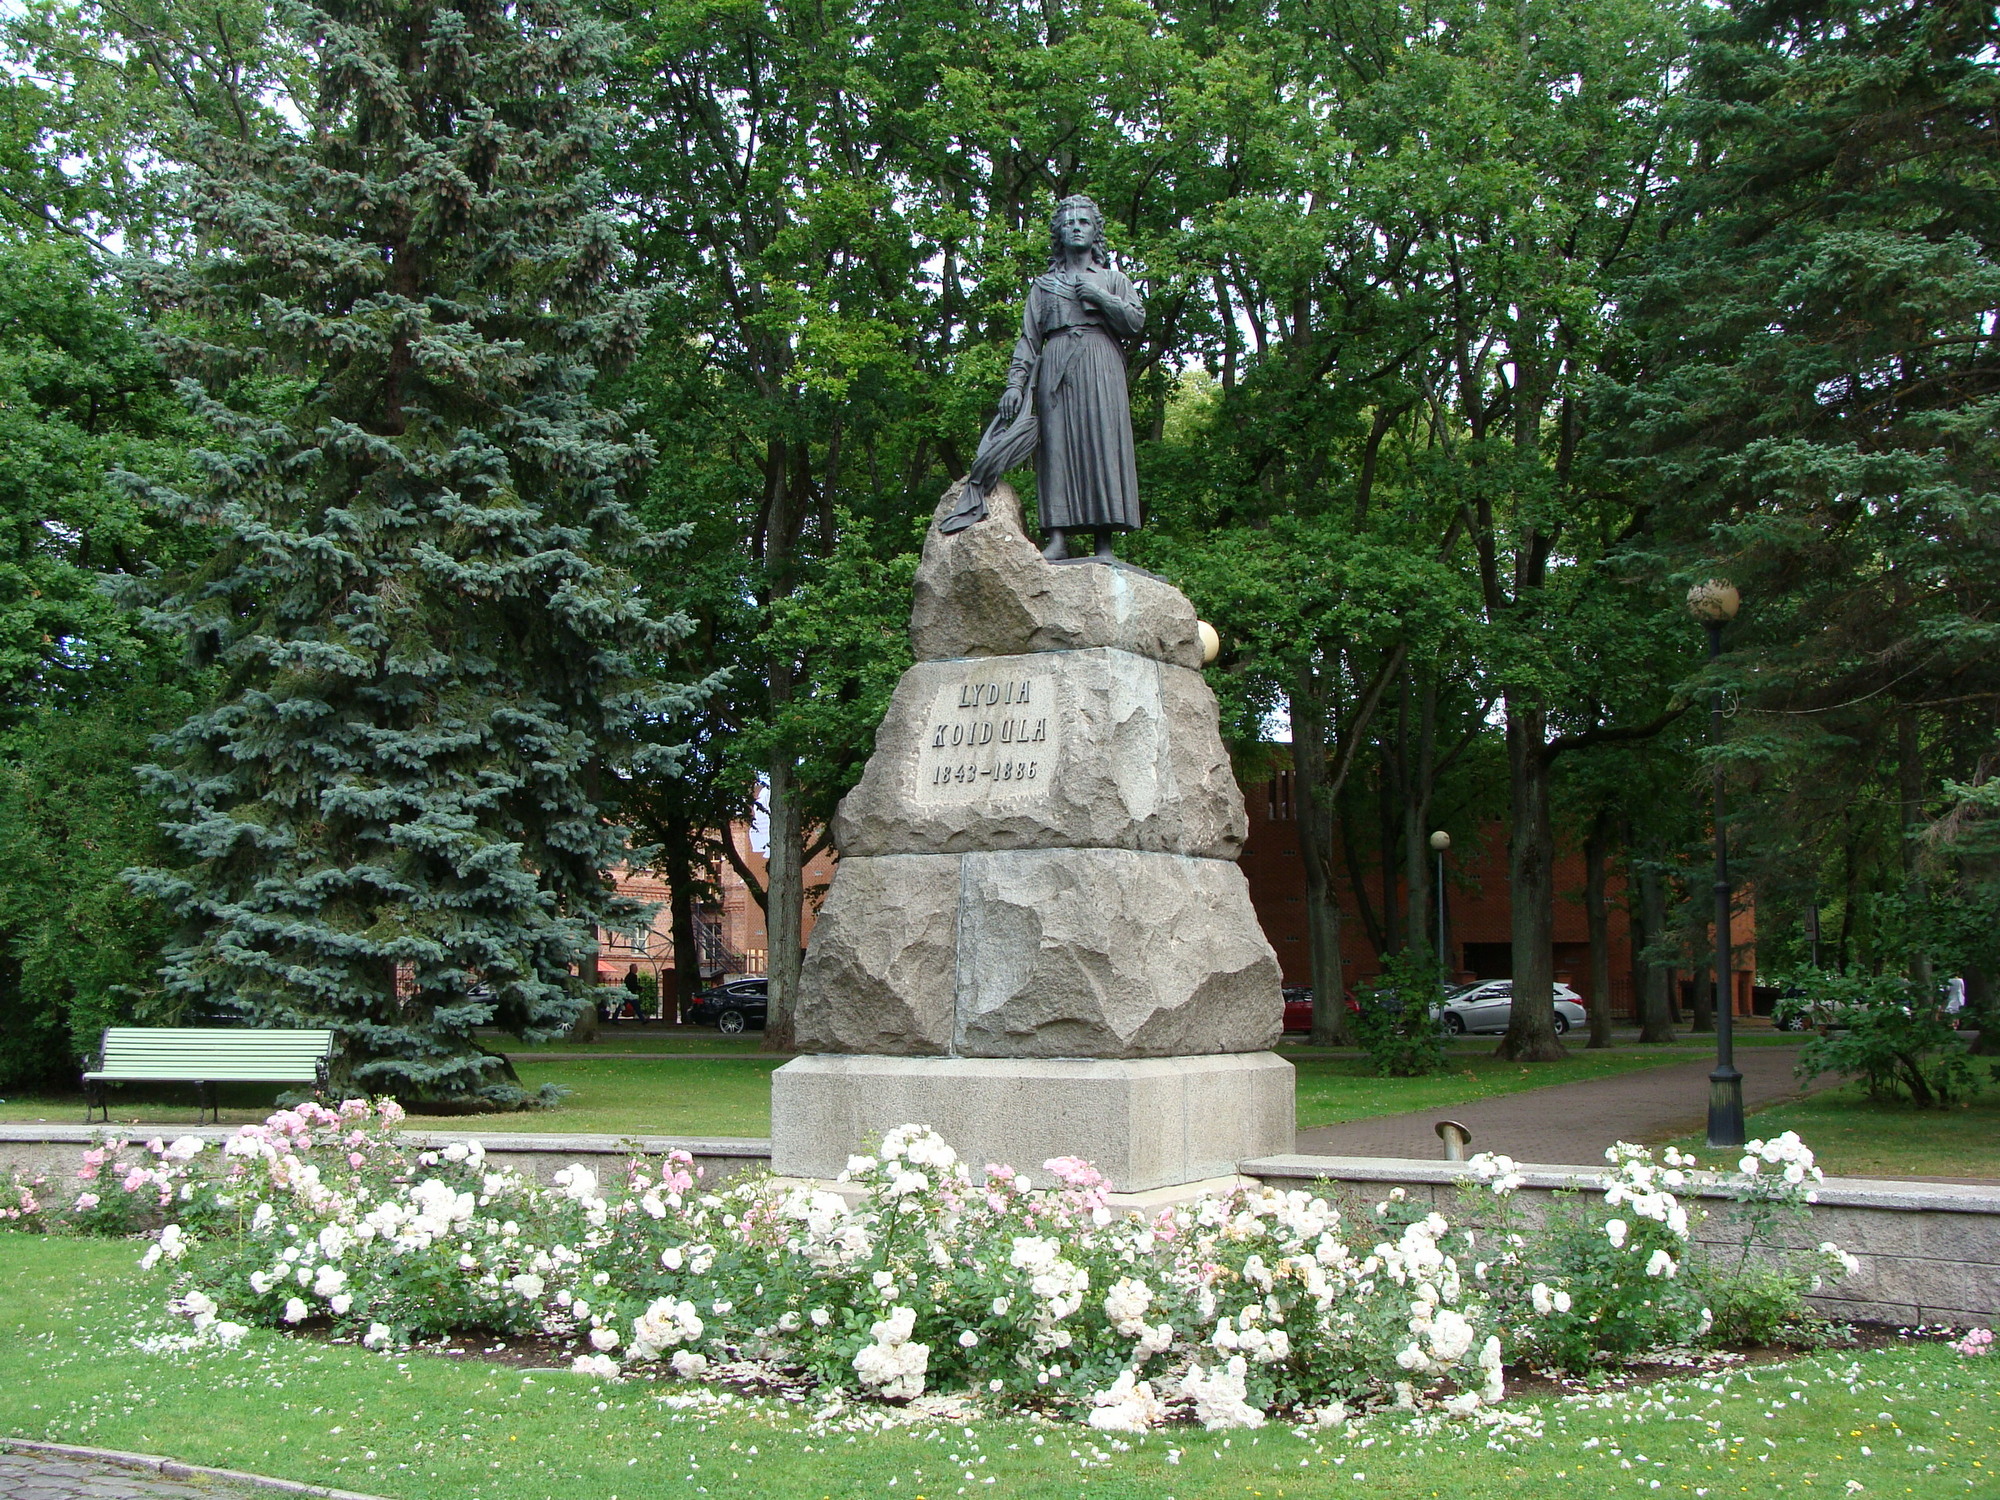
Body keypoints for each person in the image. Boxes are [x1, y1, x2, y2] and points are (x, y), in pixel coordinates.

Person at [940, 194, 1146, 560]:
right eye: (1069, 223)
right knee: (1056, 450)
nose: (1076, 228)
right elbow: (1028, 339)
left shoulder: (1114, 280)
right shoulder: (1044, 285)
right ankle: (1058, 537)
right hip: (1055, 366)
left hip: (1101, 365)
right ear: (1059, 233)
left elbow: (1135, 321)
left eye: (1083, 222)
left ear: (1095, 231)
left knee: (1102, 445)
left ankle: (1104, 542)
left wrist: (1099, 296)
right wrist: (1015, 385)